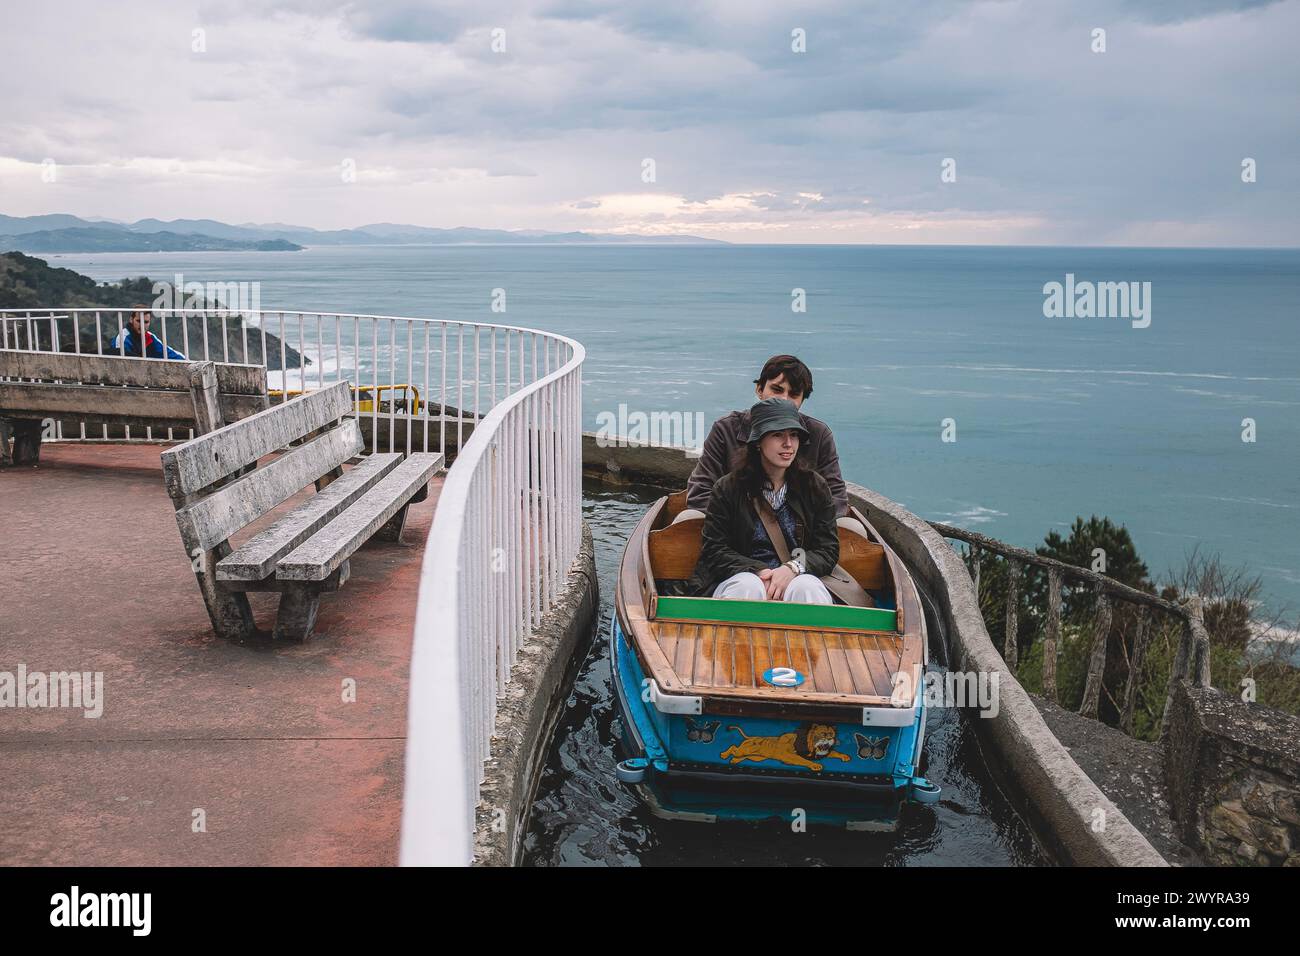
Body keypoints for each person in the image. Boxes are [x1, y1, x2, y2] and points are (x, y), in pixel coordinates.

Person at [687, 397, 838, 604]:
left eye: (794, 435)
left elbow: (827, 549)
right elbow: (714, 550)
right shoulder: (728, 488)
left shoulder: (814, 487)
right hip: (740, 576)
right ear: (758, 442)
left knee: (808, 588)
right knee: (747, 587)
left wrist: (792, 568)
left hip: (796, 576)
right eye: (778, 435)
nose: (788, 444)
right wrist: (759, 572)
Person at [686, 354, 847, 517]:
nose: (784, 399)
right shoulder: (726, 429)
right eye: (777, 390)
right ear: (759, 390)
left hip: (801, 531)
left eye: (793, 394)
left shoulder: (819, 434)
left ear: (802, 400)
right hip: (732, 527)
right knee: (690, 517)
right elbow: (700, 493)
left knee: (851, 526)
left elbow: (837, 499)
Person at [108, 309, 186, 360]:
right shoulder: (123, 338)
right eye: (139, 321)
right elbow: (122, 364)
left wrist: (188, 362)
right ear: (131, 320)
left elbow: (169, 353)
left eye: (146, 322)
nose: (142, 325)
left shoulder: (150, 337)